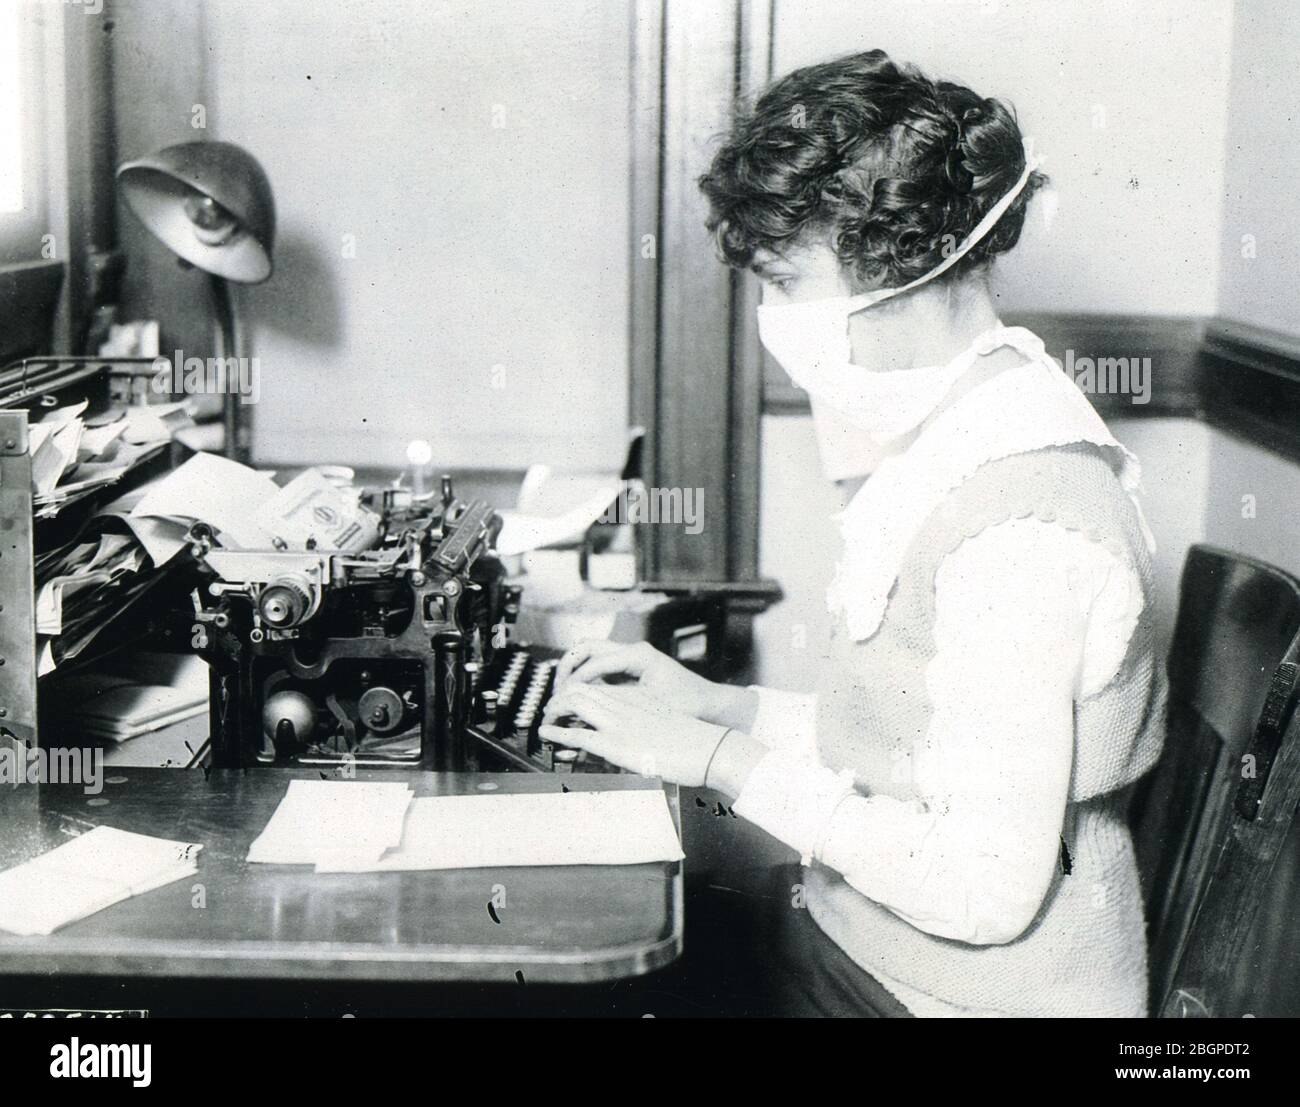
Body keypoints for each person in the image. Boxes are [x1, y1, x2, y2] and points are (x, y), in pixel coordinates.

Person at [539, 49, 1165, 1018]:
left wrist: (717, 765)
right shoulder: (960, 437)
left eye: (786, 282)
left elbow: (981, 890)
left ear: (904, 266)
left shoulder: (1024, 529)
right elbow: (916, 746)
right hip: (880, 955)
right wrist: (722, 709)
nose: (771, 319)